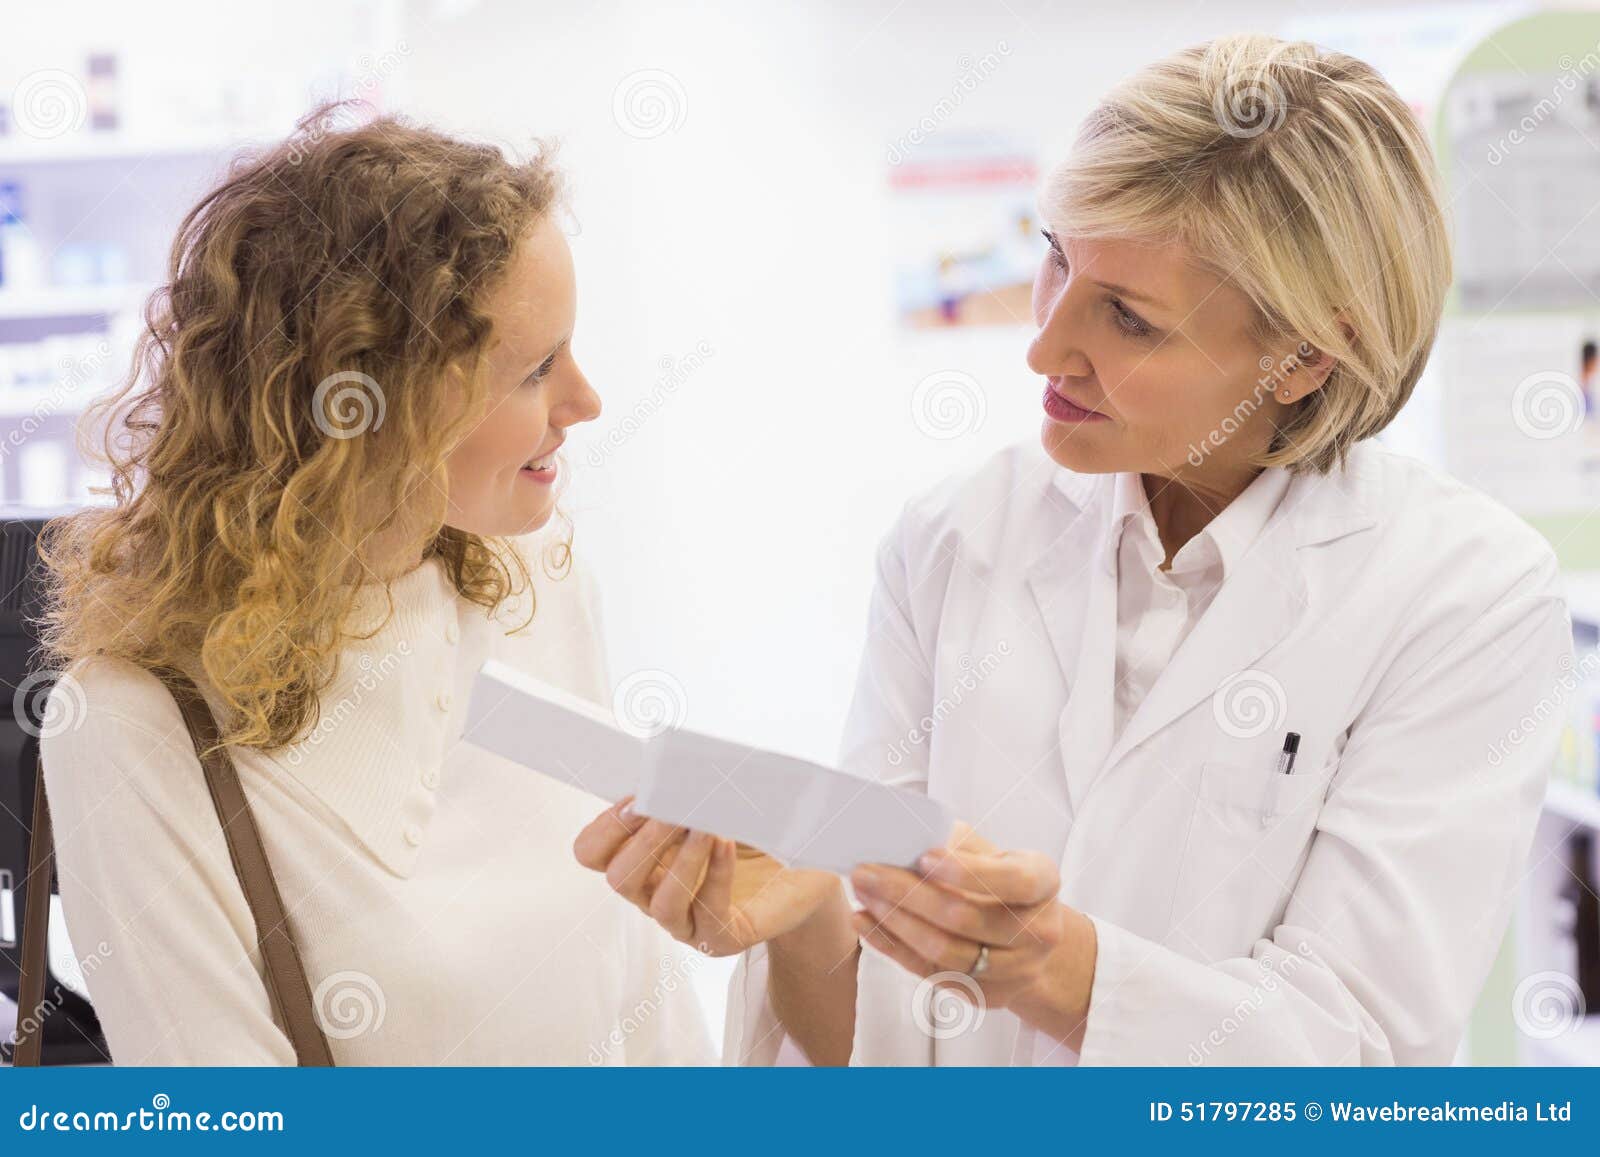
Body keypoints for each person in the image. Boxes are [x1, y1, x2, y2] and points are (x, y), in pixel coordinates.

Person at [574, 34, 1573, 1065]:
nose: (1043, 347)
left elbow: (1358, 1049)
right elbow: (871, 1050)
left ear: (1302, 355)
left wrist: (1055, 970)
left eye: (1128, 319)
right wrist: (799, 918)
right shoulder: (954, 535)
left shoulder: (1467, 596)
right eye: (1055, 257)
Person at [36, 109, 711, 1065]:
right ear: (372, 399)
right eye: (535, 370)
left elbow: (650, 1013)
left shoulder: (539, 586)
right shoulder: (132, 718)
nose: (587, 402)